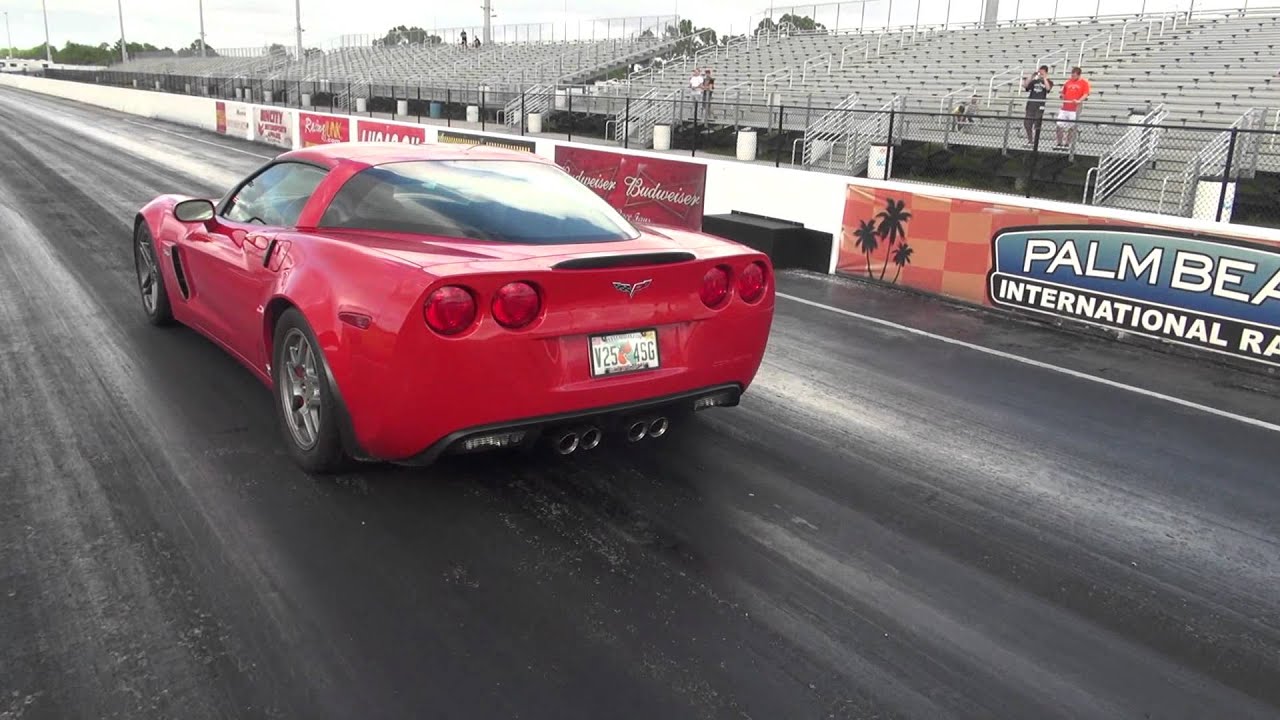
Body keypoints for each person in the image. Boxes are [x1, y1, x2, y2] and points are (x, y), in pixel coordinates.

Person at [1056, 66, 1090, 148]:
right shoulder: (1068, 82)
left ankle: (1067, 143)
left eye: (1074, 75)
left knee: (1072, 126)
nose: (1072, 77)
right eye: (1072, 75)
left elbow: (1085, 94)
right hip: (1065, 107)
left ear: (1078, 75)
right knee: (1059, 125)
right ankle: (1059, 143)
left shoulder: (1084, 83)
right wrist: (1062, 96)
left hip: (1074, 109)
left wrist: (1079, 100)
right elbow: (1064, 92)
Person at [1023, 65, 1052, 145]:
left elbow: (1048, 88)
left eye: (1042, 72)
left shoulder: (1048, 81)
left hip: (1040, 106)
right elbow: (1025, 86)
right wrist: (1032, 76)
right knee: (1027, 124)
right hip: (1031, 104)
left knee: (1037, 124)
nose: (1040, 74)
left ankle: (1036, 141)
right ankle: (1030, 140)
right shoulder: (1034, 81)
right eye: (1040, 72)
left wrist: (1044, 78)